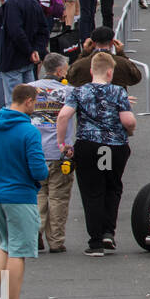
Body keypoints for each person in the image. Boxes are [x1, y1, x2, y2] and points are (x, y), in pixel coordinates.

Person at [0, 83, 46, 299]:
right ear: (27, 101)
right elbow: (39, 171)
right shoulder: (29, 132)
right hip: (20, 197)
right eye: (34, 102)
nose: (34, 106)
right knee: (19, 250)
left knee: (6, 243)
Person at [55, 51, 135, 256]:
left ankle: (95, 242)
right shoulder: (118, 92)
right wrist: (130, 131)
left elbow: (64, 116)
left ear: (91, 71)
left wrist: (62, 143)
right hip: (114, 146)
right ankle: (109, 232)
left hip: (89, 144)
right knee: (112, 187)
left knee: (92, 192)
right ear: (110, 73)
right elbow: (128, 121)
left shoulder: (78, 92)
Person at [30, 53, 73, 253]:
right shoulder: (68, 91)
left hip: (34, 151)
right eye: (66, 69)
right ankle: (56, 241)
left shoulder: (28, 89)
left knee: (38, 194)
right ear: (59, 71)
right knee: (58, 198)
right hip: (60, 151)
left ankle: (35, 234)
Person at [66, 27, 142, 87]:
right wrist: (121, 54)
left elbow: (70, 77)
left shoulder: (81, 64)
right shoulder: (122, 62)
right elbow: (136, 78)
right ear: (112, 42)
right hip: (116, 104)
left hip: (88, 104)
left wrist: (84, 53)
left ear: (92, 43)